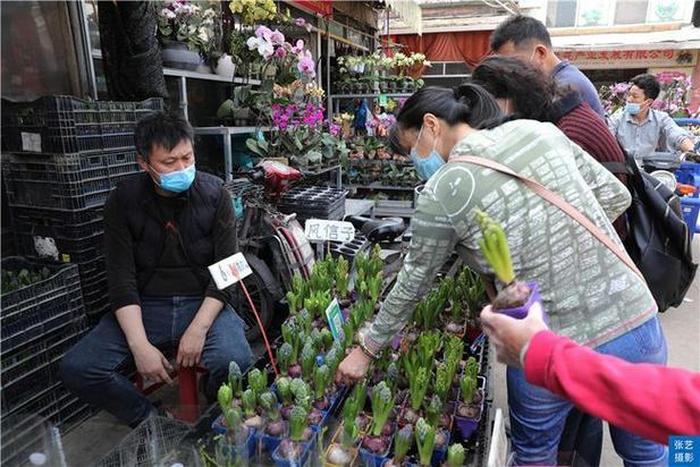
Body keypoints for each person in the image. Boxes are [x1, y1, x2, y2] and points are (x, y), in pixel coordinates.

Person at [335, 84, 668, 466]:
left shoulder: (443, 188)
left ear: (431, 125)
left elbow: (413, 283)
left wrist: (367, 350)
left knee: (534, 455)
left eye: (413, 148)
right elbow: (616, 197)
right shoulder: (539, 131)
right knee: (646, 452)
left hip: (546, 343)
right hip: (633, 320)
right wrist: (561, 246)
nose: (416, 160)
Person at [59, 113, 253, 427]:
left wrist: (198, 328)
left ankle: (214, 399)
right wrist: (139, 345)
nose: (182, 169)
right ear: (143, 163)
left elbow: (228, 271)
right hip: (145, 306)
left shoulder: (216, 194)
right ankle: (151, 420)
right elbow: (121, 279)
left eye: (187, 158)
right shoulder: (123, 200)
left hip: (204, 303)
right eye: (169, 162)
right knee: (78, 368)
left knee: (237, 361)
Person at [480, 303, 700, 445]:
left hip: (558, 341)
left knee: (535, 450)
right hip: (640, 322)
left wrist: (541, 354)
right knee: (648, 451)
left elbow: (685, 409)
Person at [472, 56, 629, 243]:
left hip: (601, 249)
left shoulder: (565, 135)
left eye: (489, 106)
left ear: (508, 99)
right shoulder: (568, 114)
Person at [490, 15, 606, 118]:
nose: (510, 71)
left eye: (513, 63)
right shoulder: (557, 81)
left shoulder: (566, 86)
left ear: (540, 53)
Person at [608, 73, 695, 163]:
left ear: (648, 102)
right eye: (629, 95)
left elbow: (677, 135)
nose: (629, 100)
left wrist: (692, 152)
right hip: (624, 171)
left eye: (635, 96)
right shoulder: (617, 119)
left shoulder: (661, 119)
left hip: (651, 172)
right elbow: (607, 138)